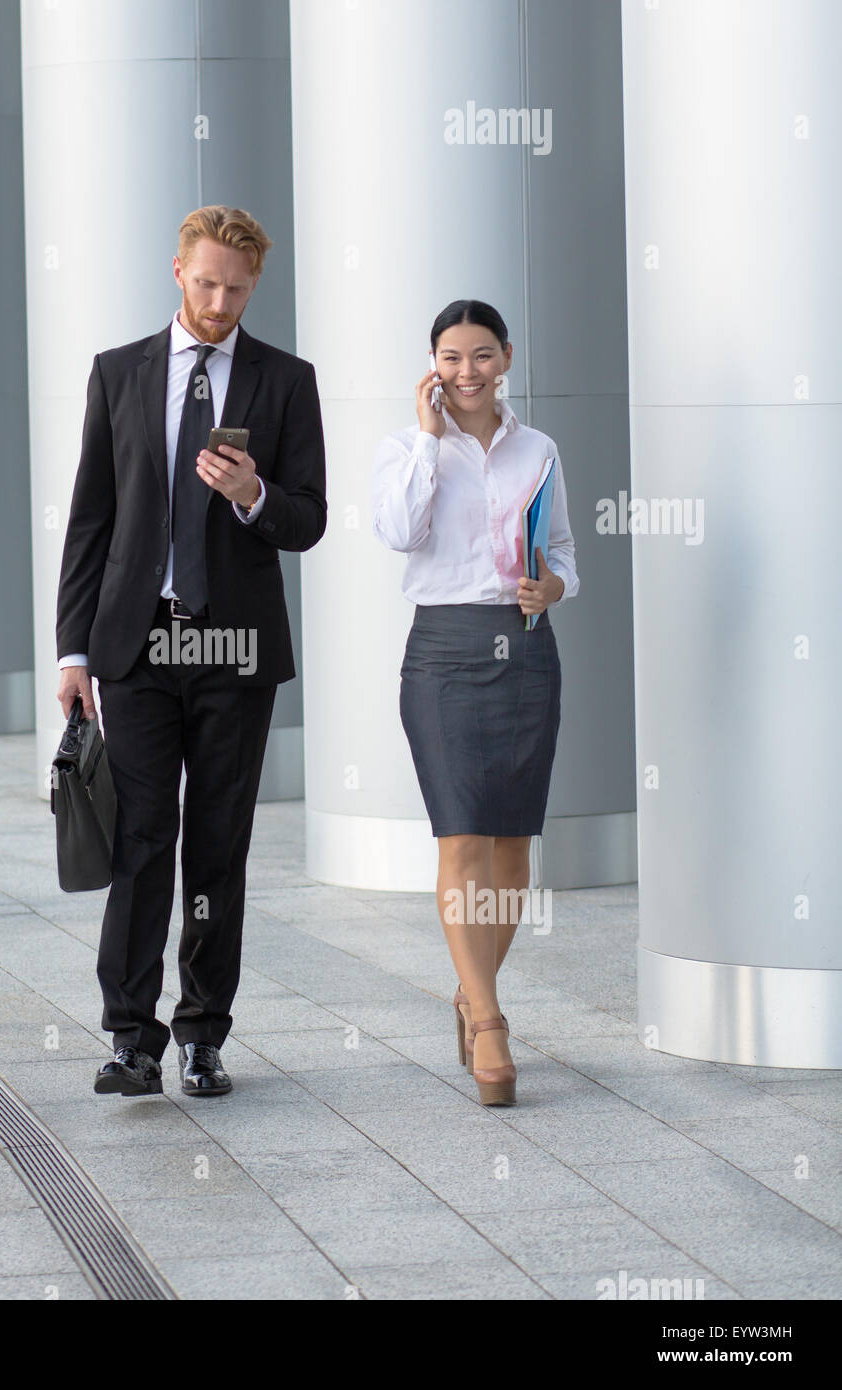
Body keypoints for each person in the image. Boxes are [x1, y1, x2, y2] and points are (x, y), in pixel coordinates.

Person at [56, 206, 327, 1099]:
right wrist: (71, 650)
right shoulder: (119, 372)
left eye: (236, 289)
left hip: (234, 648)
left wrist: (255, 495)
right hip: (137, 644)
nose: (218, 303)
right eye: (206, 283)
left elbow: (309, 519)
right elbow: (91, 518)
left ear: (255, 284)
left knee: (219, 844)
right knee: (140, 839)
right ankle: (132, 1039)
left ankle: (203, 1035)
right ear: (178, 271)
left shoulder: (286, 381)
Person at [371, 300, 578, 1106]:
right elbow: (399, 532)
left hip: (525, 648)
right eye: (452, 357)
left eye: (482, 355)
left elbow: (562, 549)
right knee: (461, 837)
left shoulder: (539, 448)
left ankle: (471, 992)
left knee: (513, 847)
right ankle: (489, 1020)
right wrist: (429, 440)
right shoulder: (404, 448)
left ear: (507, 358)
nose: (468, 372)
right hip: (443, 656)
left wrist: (554, 585)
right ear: (433, 364)